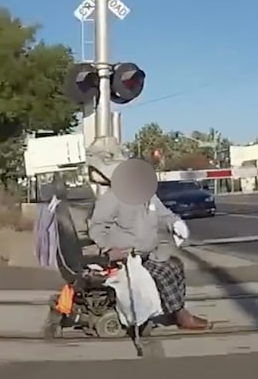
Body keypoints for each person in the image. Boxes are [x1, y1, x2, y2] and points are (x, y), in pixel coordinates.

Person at [84, 139, 211, 331]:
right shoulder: (111, 198)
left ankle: (173, 310)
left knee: (176, 265)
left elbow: (162, 212)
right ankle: (181, 315)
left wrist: (175, 222)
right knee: (165, 273)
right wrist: (110, 248)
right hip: (128, 257)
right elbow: (97, 227)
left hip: (147, 254)